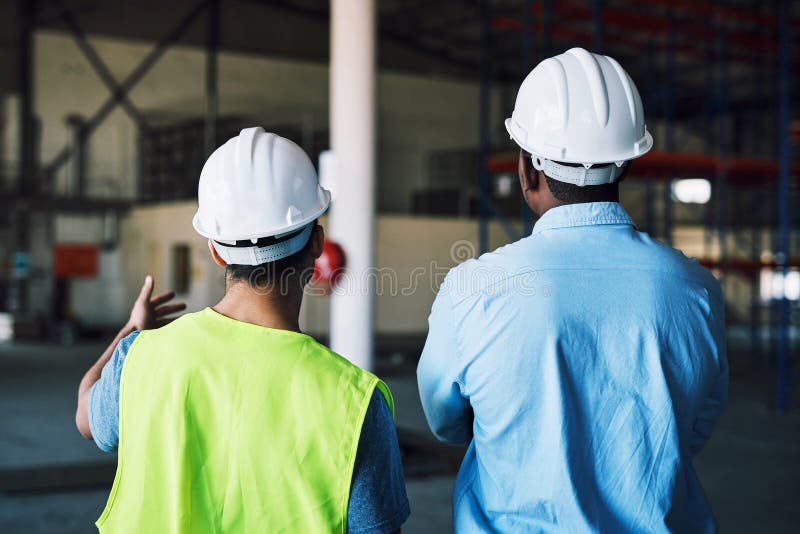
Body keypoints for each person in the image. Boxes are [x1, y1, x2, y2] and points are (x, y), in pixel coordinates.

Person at [417, 48, 727, 533]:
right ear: (626, 164)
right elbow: (696, 424)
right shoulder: (696, 290)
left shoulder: (474, 289)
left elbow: (445, 421)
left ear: (527, 169)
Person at [75, 127, 409, 533]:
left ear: (216, 251)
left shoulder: (139, 356)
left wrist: (131, 330)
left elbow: (87, 418)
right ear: (318, 242)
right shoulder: (357, 403)